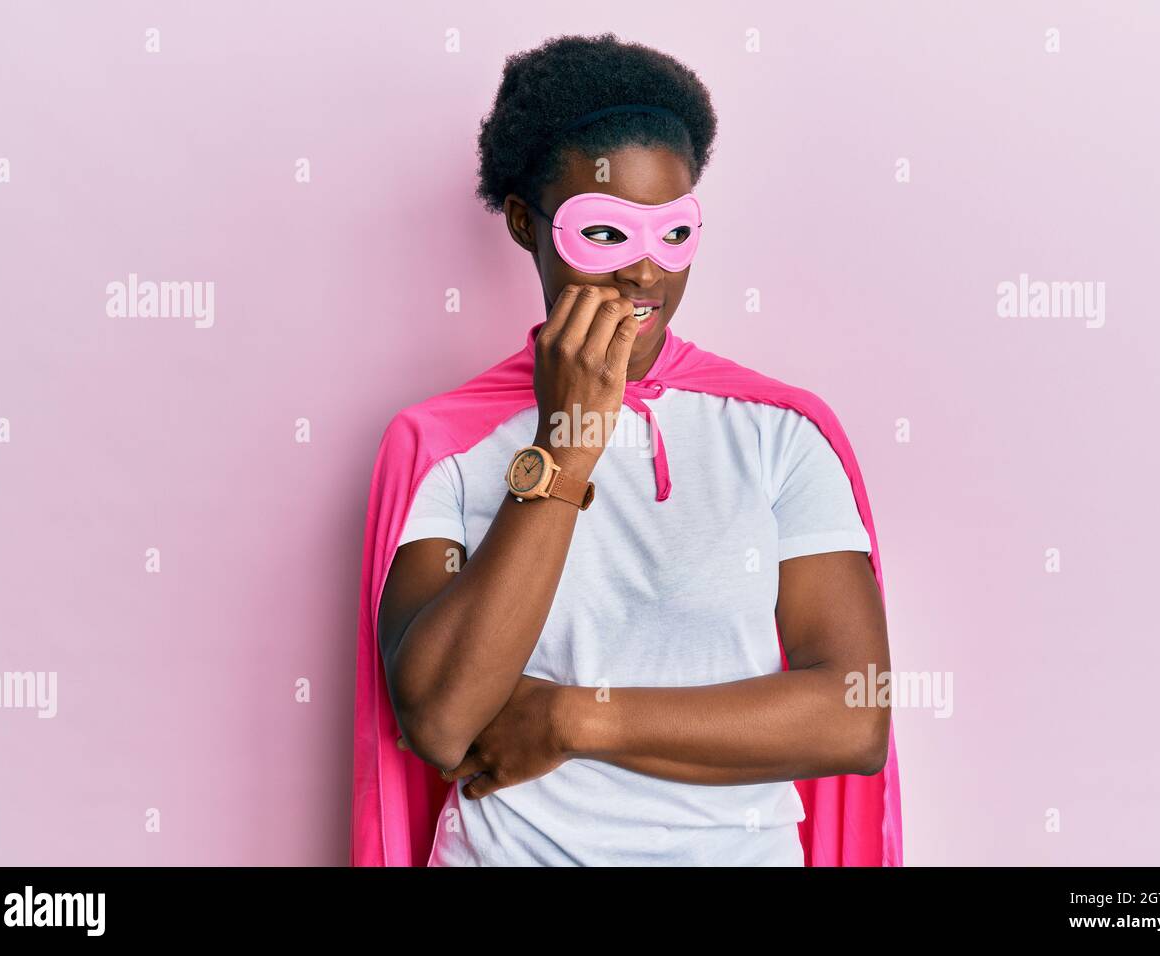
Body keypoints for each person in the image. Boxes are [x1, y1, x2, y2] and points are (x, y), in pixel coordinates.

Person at [368, 32, 895, 867]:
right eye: (607, 235)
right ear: (521, 223)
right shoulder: (442, 443)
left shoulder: (778, 431)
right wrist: (565, 445)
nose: (645, 275)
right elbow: (438, 719)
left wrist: (573, 719)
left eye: (673, 234)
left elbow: (855, 716)